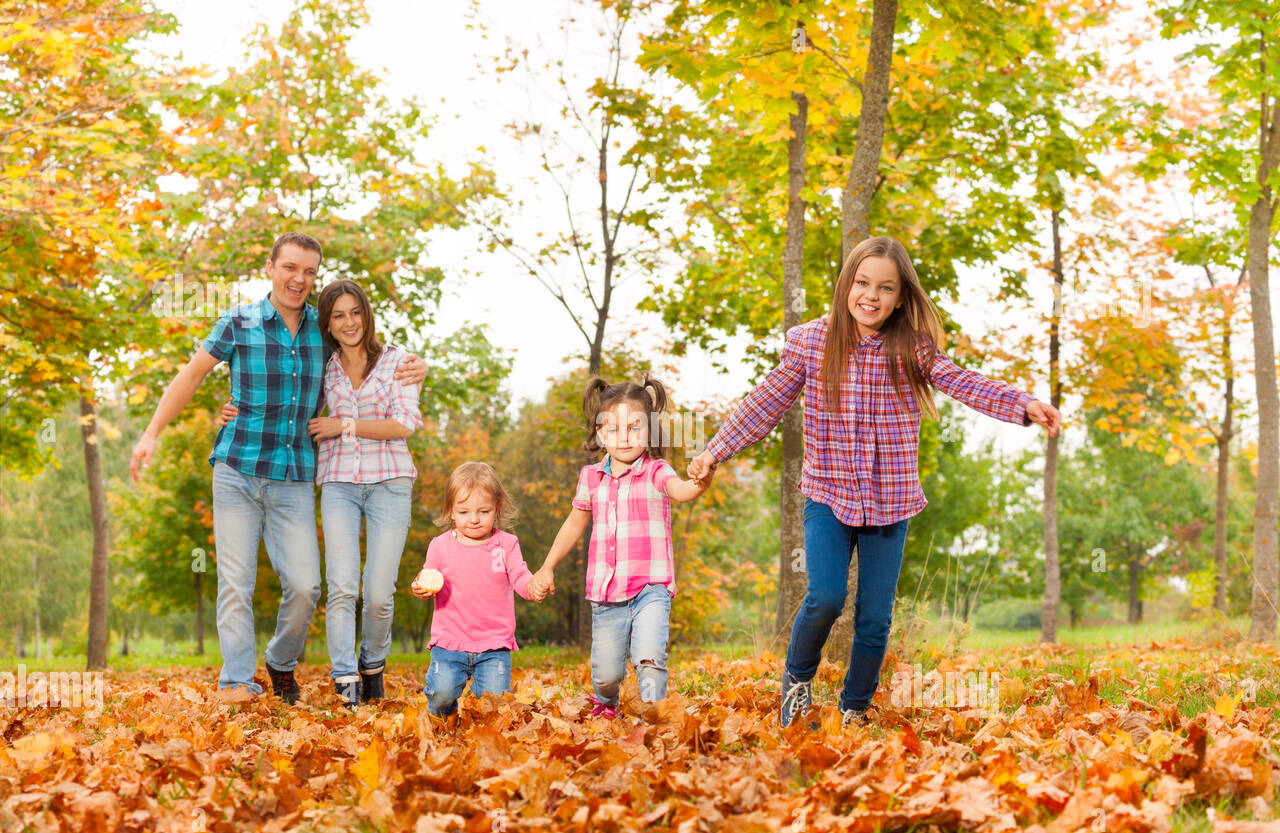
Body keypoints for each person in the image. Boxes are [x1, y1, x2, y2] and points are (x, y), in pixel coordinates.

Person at [687, 236, 1062, 728]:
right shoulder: (810, 341)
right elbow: (766, 401)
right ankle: (797, 685)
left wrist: (1021, 404)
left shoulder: (912, 349)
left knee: (874, 619)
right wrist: (715, 450)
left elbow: (963, 381)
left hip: (891, 499)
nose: (871, 295)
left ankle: (855, 707)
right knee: (825, 597)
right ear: (846, 284)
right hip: (828, 491)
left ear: (901, 297)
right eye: (862, 283)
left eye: (885, 288)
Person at [129, 232, 427, 703]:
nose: (299, 279)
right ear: (270, 267)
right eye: (290, 267)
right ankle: (236, 684)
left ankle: (281, 661)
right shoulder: (238, 322)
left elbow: (364, 353)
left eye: (309, 271)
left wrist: (417, 366)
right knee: (236, 583)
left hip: (293, 476)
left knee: (307, 587)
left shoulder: (322, 329)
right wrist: (151, 433)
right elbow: (191, 375)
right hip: (237, 467)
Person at [221, 278, 420, 706]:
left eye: (355, 312)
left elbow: (404, 424)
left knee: (380, 593)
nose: (349, 323)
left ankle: (373, 664)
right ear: (326, 325)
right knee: (341, 587)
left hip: (390, 481)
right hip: (339, 482)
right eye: (338, 316)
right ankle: (345, 678)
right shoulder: (324, 363)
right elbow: (283, 391)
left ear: (367, 314)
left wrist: (343, 425)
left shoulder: (399, 361)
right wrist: (236, 409)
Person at [529, 375, 713, 719]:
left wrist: (701, 482)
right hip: (606, 592)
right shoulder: (591, 477)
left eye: (634, 428)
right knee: (607, 673)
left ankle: (654, 715)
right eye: (613, 429)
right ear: (599, 433)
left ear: (650, 431)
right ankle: (606, 701)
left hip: (651, 588)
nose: (624, 438)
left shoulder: (657, 471)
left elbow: (682, 490)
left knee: (649, 657)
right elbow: (573, 524)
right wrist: (547, 566)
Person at [411, 462, 540, 717]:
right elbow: (427, 575)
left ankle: (483, 737)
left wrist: (533, 587)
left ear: (497, 509)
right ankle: (443, 723)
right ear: (450, 511)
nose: (473, 519)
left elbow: (519, 576)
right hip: (449, 641)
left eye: (483, 511)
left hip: (493, 644)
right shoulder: (440, 546)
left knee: (494, 705)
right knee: (441, 694)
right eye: (463, 511)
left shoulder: (507, 544)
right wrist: (420, 587)